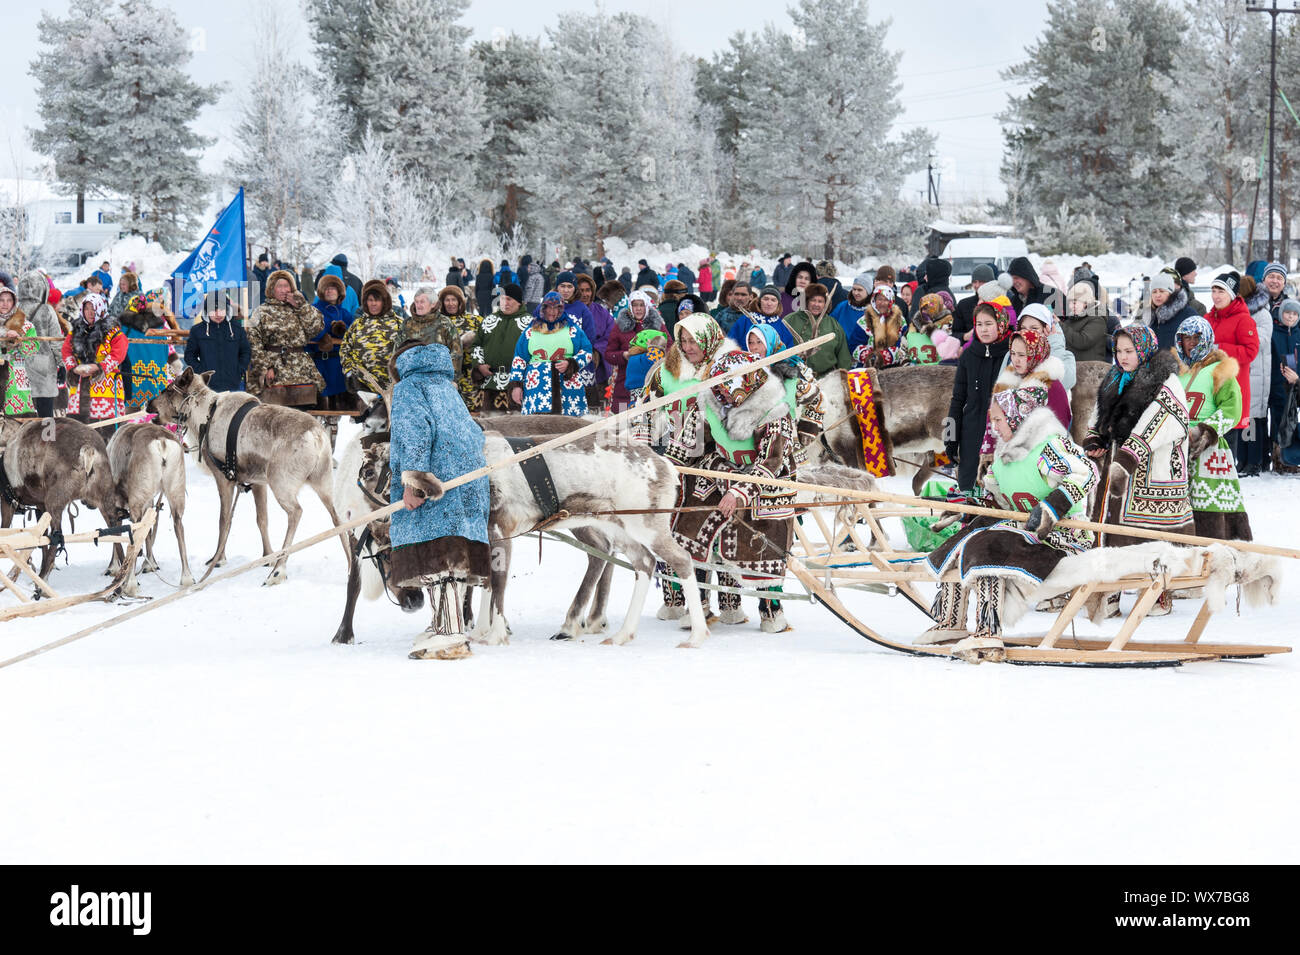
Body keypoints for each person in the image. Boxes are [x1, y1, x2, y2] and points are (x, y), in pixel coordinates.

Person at [920, 386, 1097, 653]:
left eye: (999, 420)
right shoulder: (1005, 459)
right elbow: (1001, 503)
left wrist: (1051, 508)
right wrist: (971, 507)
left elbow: (1087, 473)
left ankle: (988, 630)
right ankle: (950, 620)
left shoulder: (1047, 447)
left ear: (1017, 418)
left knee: (988, 545)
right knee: (965, 538)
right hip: (1025, 531)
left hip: (1064, 535)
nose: (993, 427)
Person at [388, 341, 492, 661]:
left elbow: (415, 432)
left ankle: (450, 635)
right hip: (470, 483)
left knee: (438, 557)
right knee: (454, 554)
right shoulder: (447, 386)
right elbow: (474, 433)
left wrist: (416, 484)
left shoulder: (408, 387)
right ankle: (443, 622)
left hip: (437, 485)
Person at [1083, 325, 1194, 615]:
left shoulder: (1167, 381)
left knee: (1150, 535)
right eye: (1119, 350)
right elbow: (1100, 415)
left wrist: (1132, 453)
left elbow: (1165, 419)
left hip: (1154, 466)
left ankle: (1157, 591)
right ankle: (1109, 590)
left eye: (1129, 351)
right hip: (1118, 466)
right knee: (1113, 530)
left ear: (1143, 349)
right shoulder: (1114, 378)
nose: (1122, 356)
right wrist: (1096, 437)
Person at [1174, 316, 1251, 539]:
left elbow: (1232, 409)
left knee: (1208, 502)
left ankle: (1217, 549)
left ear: (1206, 339)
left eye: (1196, 338)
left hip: (1209, 448)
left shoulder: (1220, 370)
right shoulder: (1177, 372)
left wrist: (1205, 432)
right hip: (1177, 447)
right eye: (1185, 338)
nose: (1190, 342)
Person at [946, 299, 1013, 493]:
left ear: (1000, 324)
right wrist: (950, 438)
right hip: (971, 435)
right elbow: (957, 400)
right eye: (979, 325)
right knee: (968, 489)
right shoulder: (968, 356)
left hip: (1001, 436)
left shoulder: (1010, 355)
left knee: (998, 492)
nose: (983, 330)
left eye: (989, 324)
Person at [1204, 271, 1261, 464]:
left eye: (1221, 291)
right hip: (1208, 387)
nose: (1216, 296)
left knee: (1226, 447)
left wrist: (1220, 349)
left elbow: (1251, 351)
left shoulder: (1244, 319)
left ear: (1232, 294)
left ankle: (1227, 484)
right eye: (1213, 290)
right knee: (1206, 442)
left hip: (1231, 389)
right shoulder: (1208, 317)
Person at [246, 270, 326, 404]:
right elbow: (253, 342)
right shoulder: (261, 311)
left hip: (300, 370)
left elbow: (316, 329)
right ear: (272, 289)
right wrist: (266, 367)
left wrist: (302, 306)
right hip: (275, 370)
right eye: (279, 286)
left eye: (286, 286)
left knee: (303, 414)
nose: (283, 290)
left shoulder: (301, 307)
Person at [510, 292, 593, 416]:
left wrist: (571, 364)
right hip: (537, 388)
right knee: (537, 426)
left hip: (568, 387)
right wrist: (516, 386)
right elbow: (520, 358)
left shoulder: (572, 329)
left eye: (557, 308)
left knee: (571, 427)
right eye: (549, 307)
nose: (552, 312)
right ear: (543, 307)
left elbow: (587, 352)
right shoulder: (530, 331)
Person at [61, 293, 126, 424]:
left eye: (93, 309)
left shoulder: (113, 332)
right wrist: (73, 368)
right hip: (80, 385)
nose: (90, 313)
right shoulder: (76, 331)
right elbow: (66, 351)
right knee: (78, 428)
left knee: (105, 427)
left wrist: (99, 367)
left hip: (105, 385)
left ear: (101, 309)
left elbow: (118, 354)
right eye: (87, 309)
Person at [606, 289, 666, 412]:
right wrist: (623, 355)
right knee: (622, 423)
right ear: (630, 306)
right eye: (635, 305)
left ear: (647, 306)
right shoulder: (619, 326)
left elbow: (669, 347)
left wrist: (656, 351)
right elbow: (608, 354)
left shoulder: (658, 325)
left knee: (647, 420)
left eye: (641, 305)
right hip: (624, 383)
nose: (638, 309)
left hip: (652, 381)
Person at [475, 282, 530, 411]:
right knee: (490, 427)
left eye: (509, 299)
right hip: (490, 384)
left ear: (519, 302)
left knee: (517, 428)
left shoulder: (530, 323)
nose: (505, 302)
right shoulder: (489, 320)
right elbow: (476, 345)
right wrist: (479, 365)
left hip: (518, 386)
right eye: (502, 298)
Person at [14, 271, 62, 418]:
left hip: (20, 367)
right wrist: (62, 364)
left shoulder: (15, 311)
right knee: (46, 414)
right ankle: (48, 438)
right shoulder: (47, 310)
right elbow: (56, 341)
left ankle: (23, 440)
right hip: (44, 367)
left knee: (24, 413)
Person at [309, 274, 355, 418]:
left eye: (333, 288)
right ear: (322, 291)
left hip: (338, 365)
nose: (330, 291)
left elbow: (353, 335)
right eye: (326, 288)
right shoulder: (314, 310)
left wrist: (343, 329)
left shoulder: (345, 313)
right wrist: (324, 334)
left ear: (339, 291)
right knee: (317, 410)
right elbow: (309, 330)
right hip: (319, 364)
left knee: (336, 413)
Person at [1008, 302, 1076, 390]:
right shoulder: (1013, 353)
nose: (1028, 333)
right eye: (1023, 328)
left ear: (1047, 329)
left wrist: (1054, 344)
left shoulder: (1066, 355)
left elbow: (1065, 383)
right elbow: (1001, 387)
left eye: (1034, 328)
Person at [1271, 298, 1300, 473]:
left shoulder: (1298, 333)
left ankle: (1292, 458)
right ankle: (1278, 458)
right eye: (1288, 313)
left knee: (1294, 422)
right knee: (1278, 420)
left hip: (1297, 384)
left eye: (1295, 314)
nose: (1291, 317)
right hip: (1278, 384)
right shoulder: (1274, 333)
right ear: (1281, 314)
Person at [0, 284, 38, 416]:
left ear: (14, 302)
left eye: (9, 300)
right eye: (1, 300)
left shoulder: (25, 325)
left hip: (16, 372)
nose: (5, 304)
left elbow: (33, 350)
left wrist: (19, 340)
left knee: (19, 418)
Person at [849, 285, 906, 369]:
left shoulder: (900, 320)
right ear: (874, 300)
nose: (882, 303)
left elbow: (904, 344)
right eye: (879, 299)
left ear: (891, 301)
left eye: (885, 299)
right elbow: (854, 344)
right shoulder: (864, 321)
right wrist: (870, 357)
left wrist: (885, 357)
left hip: (894, 369)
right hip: (868, 367)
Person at [1144, 270, 1197, 354]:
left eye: (1162, 291)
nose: (1157, 295)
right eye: (1154, 292)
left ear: (1170, 292)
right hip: (1154, 365)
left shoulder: (1188, 315)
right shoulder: (1149, 317)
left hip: (1179, 365)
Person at [903, 292, 960, 364]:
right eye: (922, 308)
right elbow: (903, 348)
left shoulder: (947, 324)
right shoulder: (914, 325)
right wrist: (906, 363)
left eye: (928, 309)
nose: (924, 312)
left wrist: (931, 330)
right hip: (914, 371)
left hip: (938, 371)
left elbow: (950, 349)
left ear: (936, 308)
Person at [1063, 279, 1111, 363]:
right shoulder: (1073, 318)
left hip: (1090, 370)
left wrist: (1061, 326)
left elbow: (1082, 341)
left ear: (1085, 302)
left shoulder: (1097, 319)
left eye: (1074, 303)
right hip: (1076, 367)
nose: (1071, 306)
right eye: (1069, 303)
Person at [952, 264, 993, 343]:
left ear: (990, 283)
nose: (977, 285)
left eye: (981, 282)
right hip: (970, 350)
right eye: (974, 282)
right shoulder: (964, 304)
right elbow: (954, 334)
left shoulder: (1001, 302)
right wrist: (964, 336)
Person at [907, 257, 953, 321]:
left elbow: (914, 318)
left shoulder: (922, 291)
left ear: (933, 276)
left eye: (927, 274)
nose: (925, 277)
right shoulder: (949, 294)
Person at [831, 272, 872, 341]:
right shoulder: (842, 306)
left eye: (859, 290)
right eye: (854, 289)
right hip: (841, 349)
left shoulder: (873, 311)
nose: (856, 293)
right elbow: (830, 324)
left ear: (868, 291)